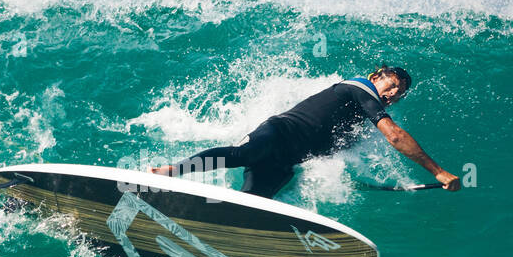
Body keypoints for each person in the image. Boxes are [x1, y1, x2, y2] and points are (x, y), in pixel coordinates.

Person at [149, 66, 460, 199]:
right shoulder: (358, 88)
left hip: (285, 163)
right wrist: (437, 171)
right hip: (276, 134)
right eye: (390, 84)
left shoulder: (359, 122)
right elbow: (394, 136)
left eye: (398, 92)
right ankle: (167, 172)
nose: (392, 93)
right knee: (241, 154)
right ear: (376, 77)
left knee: (251, 206)